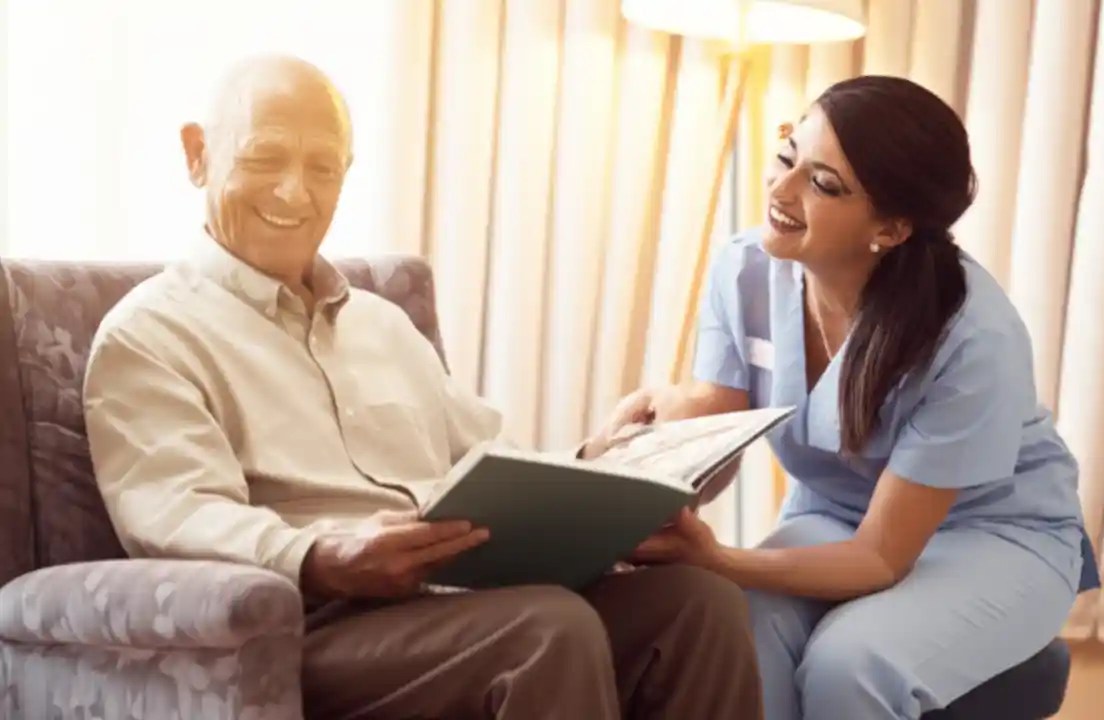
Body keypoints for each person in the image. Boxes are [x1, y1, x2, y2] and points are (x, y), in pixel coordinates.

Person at [82, 54, 762, 720]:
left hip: (453, 602)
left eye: (322, 168)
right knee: (544, 628)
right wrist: (320, 556)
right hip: (307, 627)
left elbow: (491, 459)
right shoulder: (148, 334)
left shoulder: (383, 324)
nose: (295, 192)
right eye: (264, 158)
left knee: (698, 605)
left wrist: (606, 465)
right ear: (197, 154)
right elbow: (176, 515)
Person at [611, 76, 1101, 720]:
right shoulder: (746, 270)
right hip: (833, 515)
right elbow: (718, 428)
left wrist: (719, 557)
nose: (781, 192)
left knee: (851, 665)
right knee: (735, 631)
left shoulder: (973, 337)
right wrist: (647, 449)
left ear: (892, 228)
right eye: (789, 156)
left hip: (992, 536)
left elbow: (879, 556)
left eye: (823, 183)